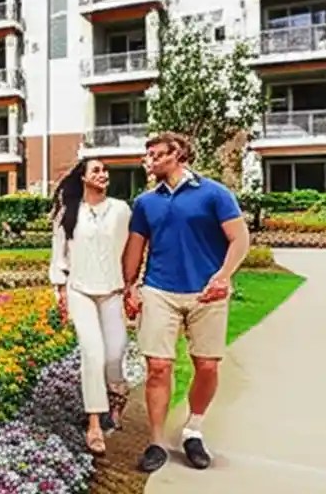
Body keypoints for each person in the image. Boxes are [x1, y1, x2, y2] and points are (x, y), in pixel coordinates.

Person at [122, 132, 250, 473]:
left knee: (207, 366)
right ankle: (157, 441)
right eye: (146, 154)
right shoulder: (145, 202)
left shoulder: (214, 194)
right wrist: (130, 286)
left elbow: (240, 239)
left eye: (155, 154)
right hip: (159, 290)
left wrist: (223, 276)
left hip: (207, 293)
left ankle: (193, 428)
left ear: (177, 154)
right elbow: (135, 248)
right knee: (158, 368)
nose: (148, 160)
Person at [49, 158, 132, 456]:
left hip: (112, 290)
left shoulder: (121, 210)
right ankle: (94, 424)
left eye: (105, 170)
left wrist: (132, 287)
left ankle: (118, 394)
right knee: (92, 353)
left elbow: (131, 251)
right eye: (96, 170)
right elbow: (59, 255)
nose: (103, 174)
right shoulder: (67, 213)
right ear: (83, 177)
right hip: (79, 290)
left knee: (114, 353)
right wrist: (60, 290)